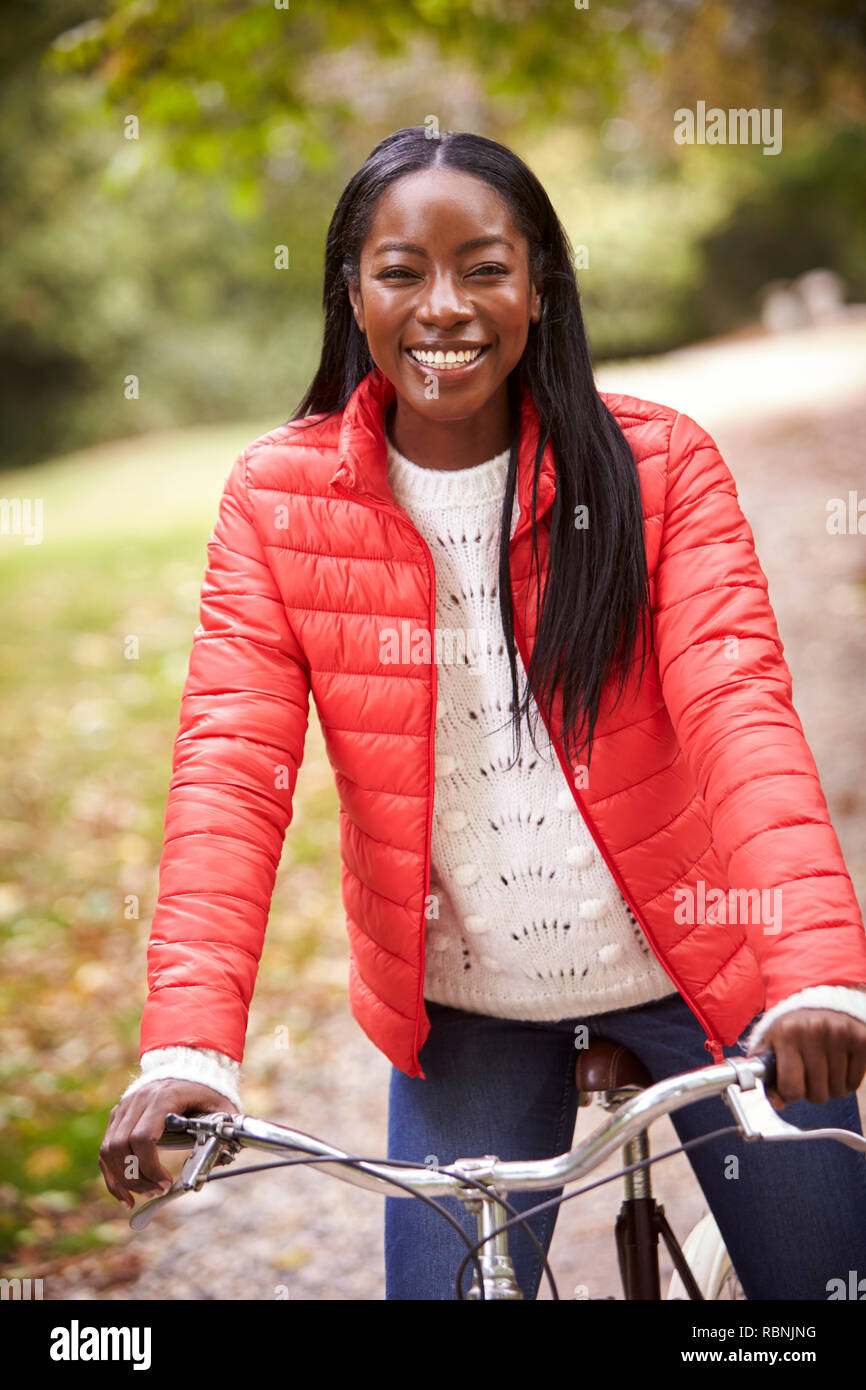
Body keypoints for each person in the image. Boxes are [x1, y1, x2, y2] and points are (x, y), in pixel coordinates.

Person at [100, 127, 866, 1300]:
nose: (444, 305)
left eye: (485, 268)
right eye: (402, 270)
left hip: (710, 971)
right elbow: (228, 769)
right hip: (472, 1008)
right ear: (350, 291)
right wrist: (188, 1048)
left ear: (539, 286)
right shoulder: (276, 498)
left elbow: (740, 712)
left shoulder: (657, 466)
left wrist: (816, 974)